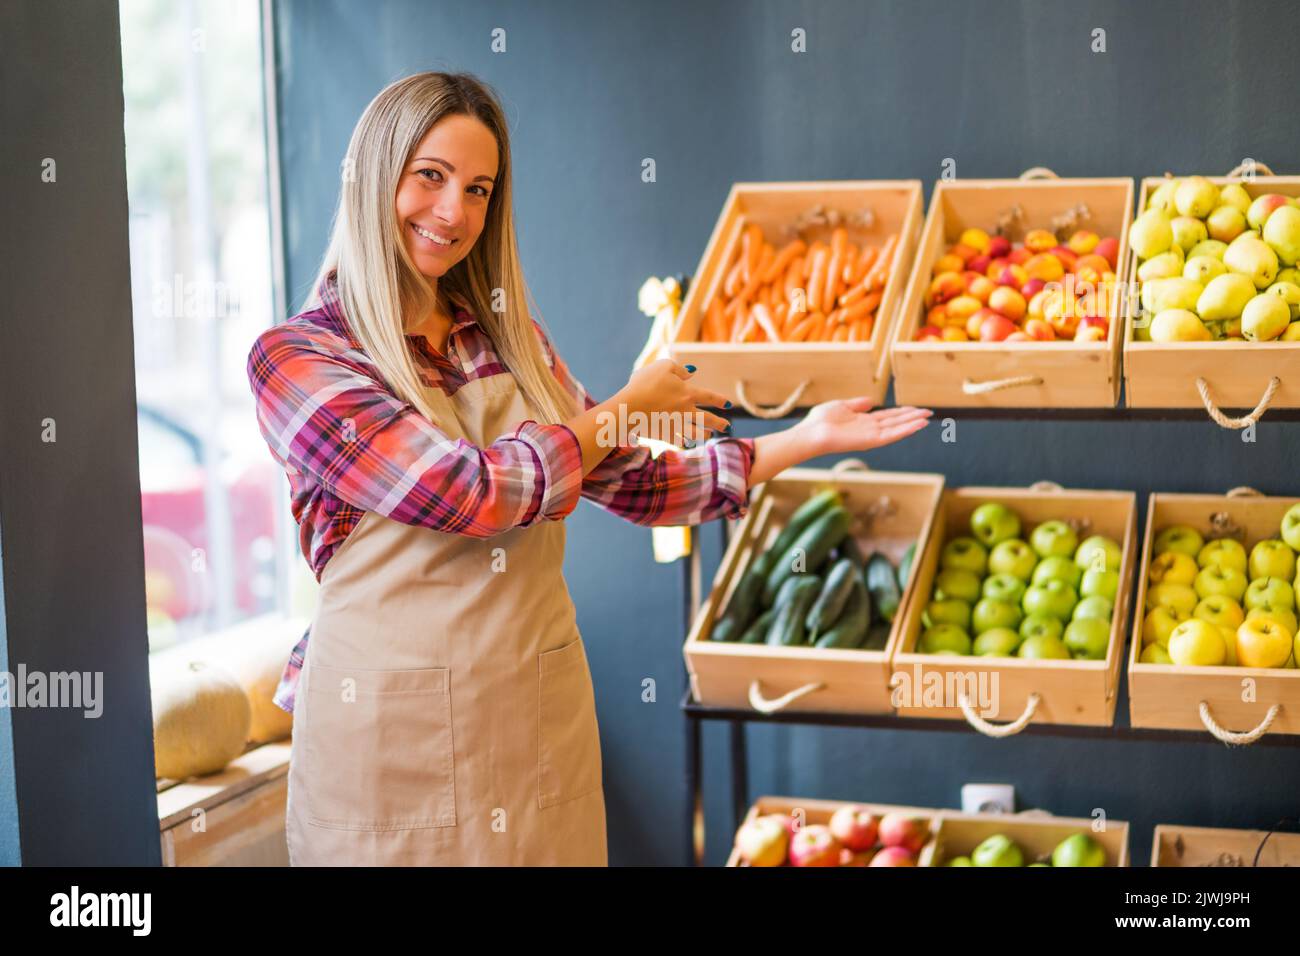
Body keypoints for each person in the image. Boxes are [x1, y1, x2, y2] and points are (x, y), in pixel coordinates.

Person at [246, 70, 931, 866]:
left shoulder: (506, 338)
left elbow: (633, 481)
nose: (453, 213)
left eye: (478, 189)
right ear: (373, 176)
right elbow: (470, 493)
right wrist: (625, 410)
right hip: (388, 743)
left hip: (533, 719)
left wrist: (805, 439)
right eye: (429, 176)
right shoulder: (298, 359)